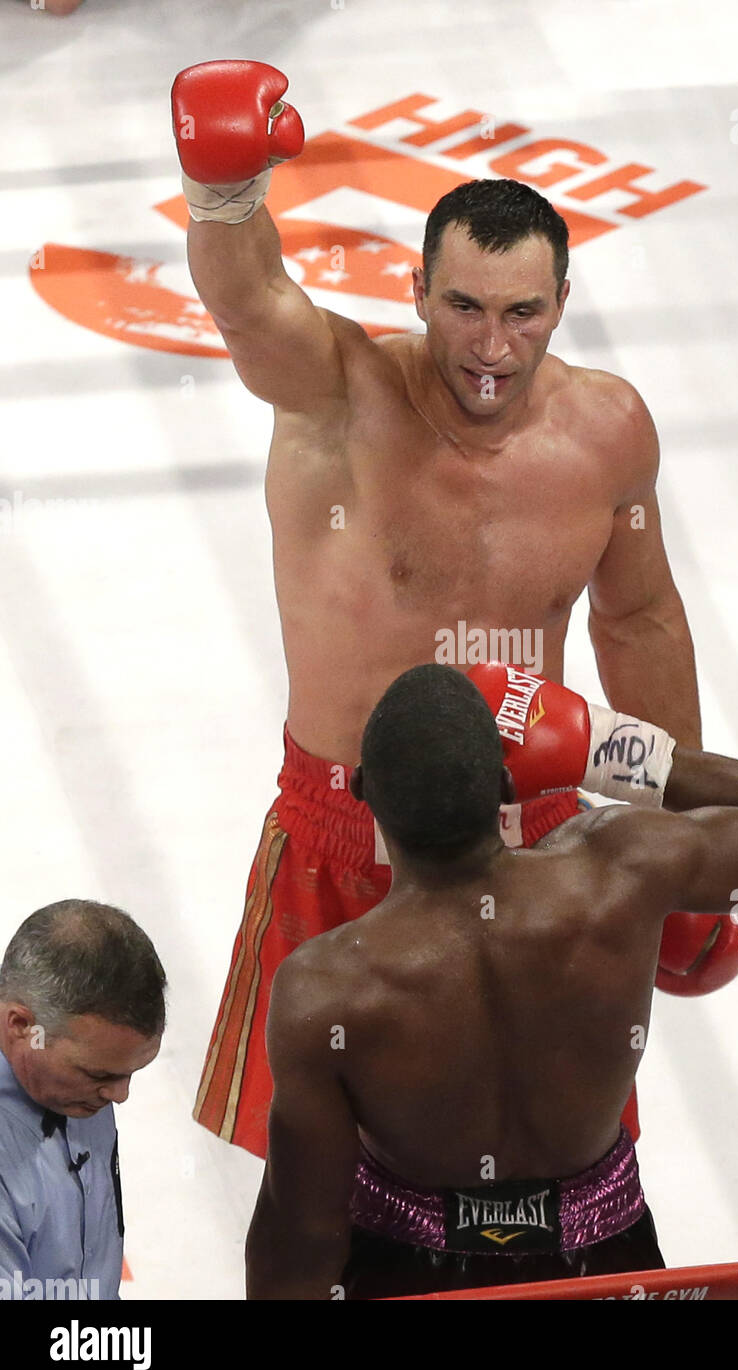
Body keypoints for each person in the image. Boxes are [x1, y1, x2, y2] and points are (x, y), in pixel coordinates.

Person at [175, 60, 708, 1159]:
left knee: (551, 1153)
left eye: (522, 313)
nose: (492, 346)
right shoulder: (338, 397)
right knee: (330, 1183)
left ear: (563, 303)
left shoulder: (609, 433)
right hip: (345, 834)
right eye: (463, 307)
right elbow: (248, 302)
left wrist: (681, 823)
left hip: (531, 830)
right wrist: (225, 200)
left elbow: (638, 620)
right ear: (416, 294)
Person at [245, 665, 738, 1299]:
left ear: (362, 789)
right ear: (505, 783)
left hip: (409, 1273)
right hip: (604, 1261)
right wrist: (600, 747)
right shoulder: (617, 872)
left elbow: (303, 1234)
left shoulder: (324, 990)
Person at [0, 900, 165, 1300]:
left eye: (129, 1074)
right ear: (22, 1026)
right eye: (100, 1076)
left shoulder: (73, 1088)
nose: (119, 1096)